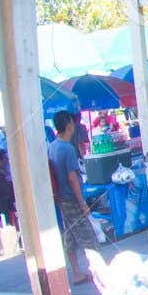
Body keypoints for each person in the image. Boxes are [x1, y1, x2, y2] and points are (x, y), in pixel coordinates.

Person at [50, 109, 95, 285]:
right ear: (69, 125)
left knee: (69, 236)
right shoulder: (67, 149)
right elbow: (72, 178)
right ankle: (97, 270)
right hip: (71, 197)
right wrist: (82, 203)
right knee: (89, 237)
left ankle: (77, 272)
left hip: (61, 198)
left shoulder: (52, 146)